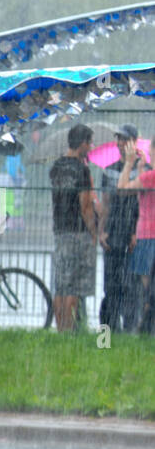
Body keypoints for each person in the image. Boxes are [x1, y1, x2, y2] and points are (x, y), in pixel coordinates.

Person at [49, 125, 99, 332]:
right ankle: (69, 331)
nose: (91, 147)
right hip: (78, 232)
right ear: (82, 144)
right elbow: (86, 206)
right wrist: (94, 233)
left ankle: (60, 329)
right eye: (90, 143)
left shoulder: (56, 167)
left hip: (60, 231)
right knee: (74, 287)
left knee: (60, 285)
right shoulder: (82, 170)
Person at [100, 125, 143, 332]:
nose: (120, 144)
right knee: (110, 287)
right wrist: (102, 230)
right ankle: (106, 337)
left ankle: (130, 333)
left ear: (134, 142)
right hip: (113, 234)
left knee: (131, 287)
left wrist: (135, 231)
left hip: (135, 237)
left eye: (124, 140)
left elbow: (140, 203)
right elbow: (106, 202)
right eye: (118, 139)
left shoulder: (143, 169)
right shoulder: (109, 169)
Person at [118, 136, 155, 334]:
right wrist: (141, 170)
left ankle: (147, 330)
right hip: (148, 237)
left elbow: (122, 188)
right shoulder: (148, 177)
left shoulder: (150, 178)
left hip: (148, 236)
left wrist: (129, 164)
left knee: (148, 287)